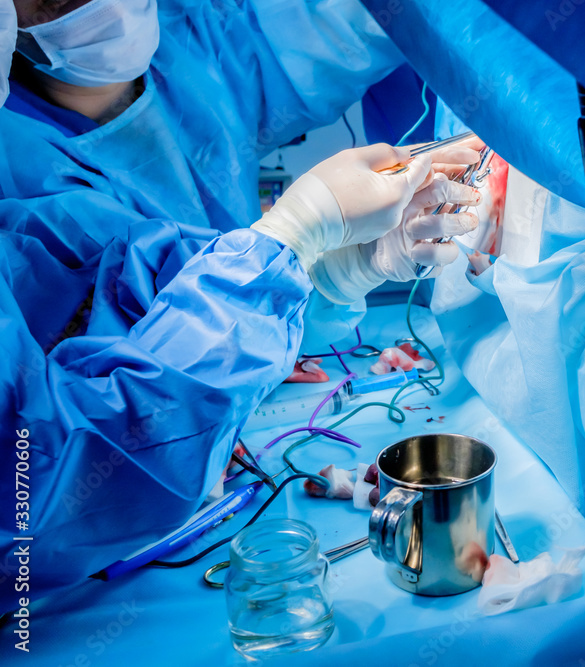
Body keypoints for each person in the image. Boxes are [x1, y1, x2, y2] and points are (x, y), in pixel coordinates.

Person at [0, 0, 481, 608]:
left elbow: (126, 279)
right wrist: (290, 239)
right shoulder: (19, 160)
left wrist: (315, 274)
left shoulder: (188, 50)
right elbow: (41, 482)